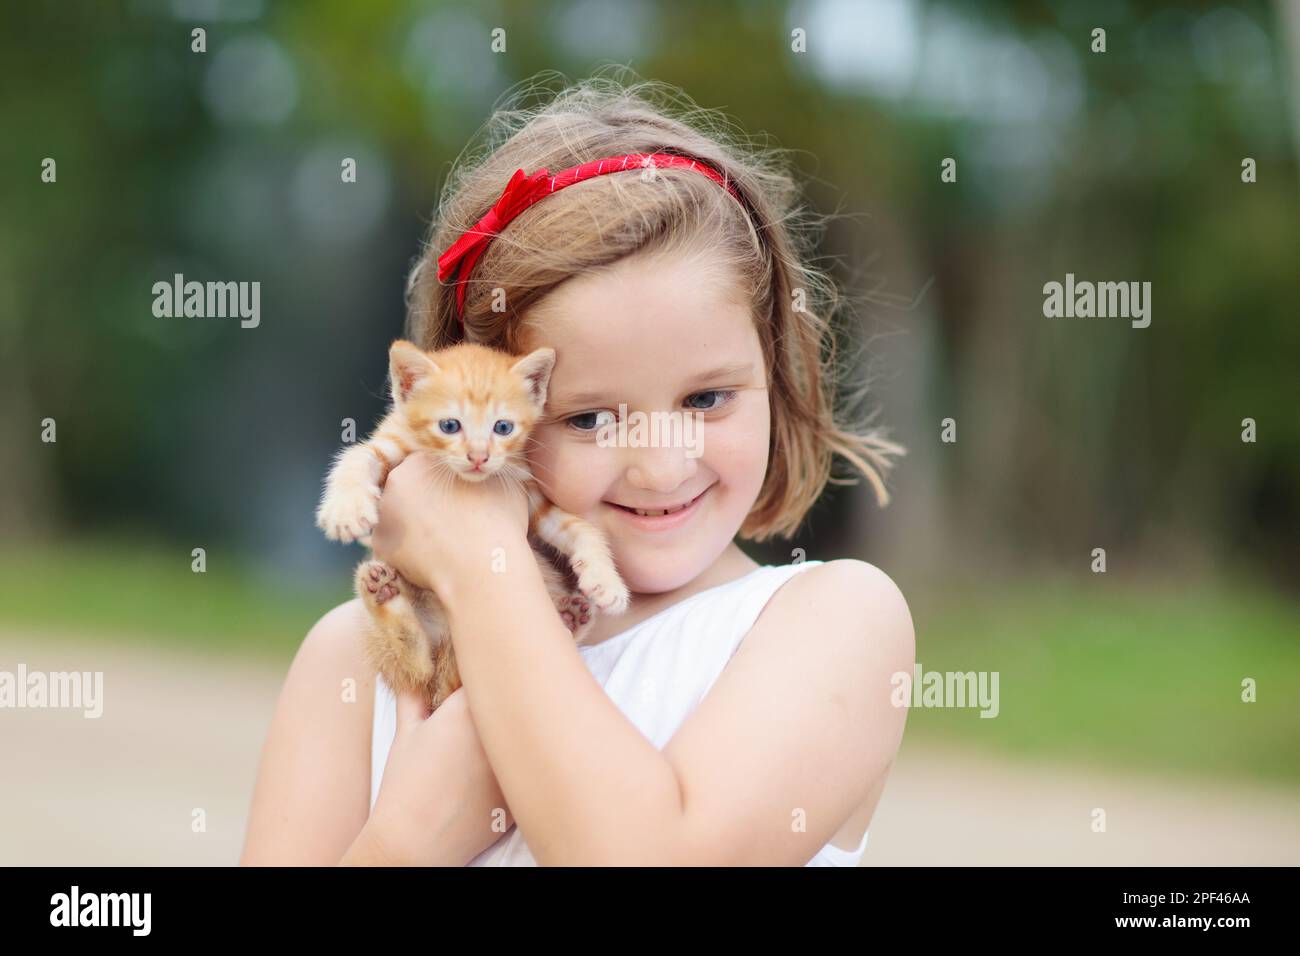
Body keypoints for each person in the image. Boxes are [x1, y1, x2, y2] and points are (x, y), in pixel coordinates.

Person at [241, 72, 914, 866]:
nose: (663, 469)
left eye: (706, 397)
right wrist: (408, 840)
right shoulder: (358, 663)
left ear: (777, 369)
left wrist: (480, 566)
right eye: (590, 418)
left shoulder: (833, 623)